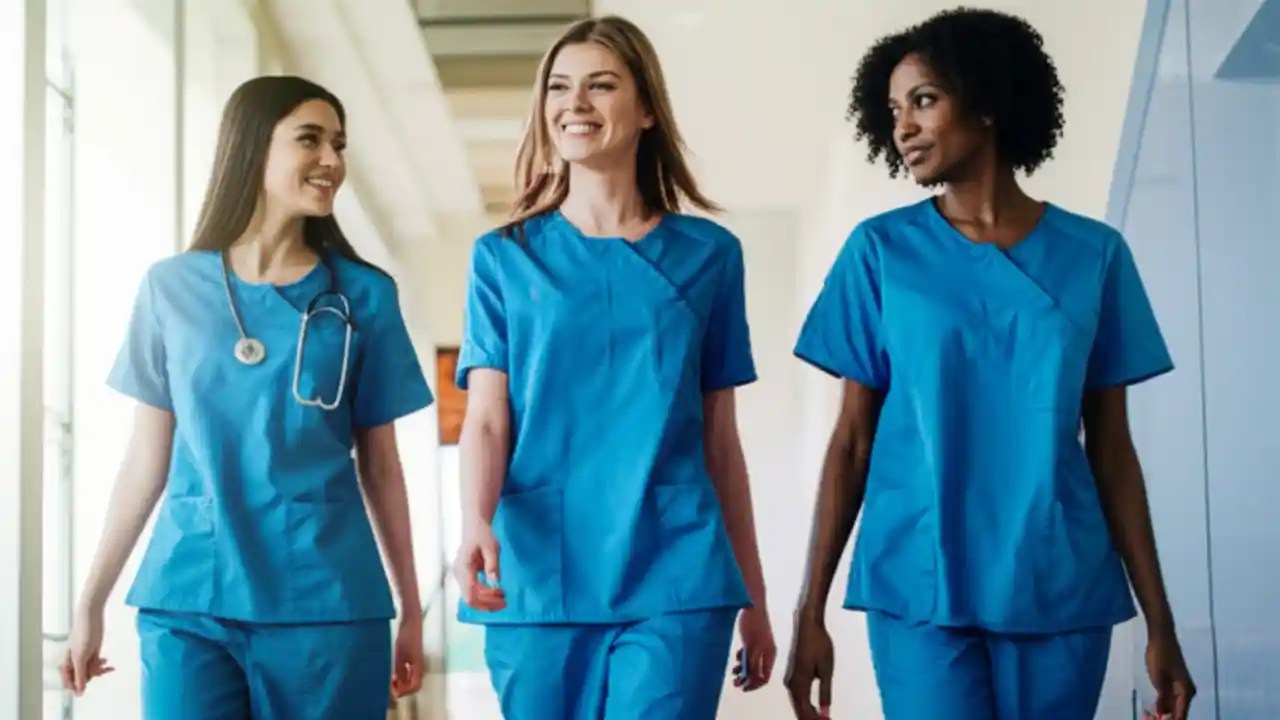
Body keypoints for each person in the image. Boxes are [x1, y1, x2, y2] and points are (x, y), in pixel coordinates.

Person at [783, 8, 1196, 720]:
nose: (902, 126)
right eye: (892, 110)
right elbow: (852, 442)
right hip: (917, 576)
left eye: (924, 100)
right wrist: (808, 611)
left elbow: (1113, 451)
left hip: (1055, 573)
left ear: (987, 102)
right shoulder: (881, 254)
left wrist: (1161, 622)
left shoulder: (1093, 257)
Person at [59, 75, 434, 718]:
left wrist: (409, 610)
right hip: (189, 595)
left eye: (339, 144)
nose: (332, 161)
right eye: (310, 140)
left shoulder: (364, 296)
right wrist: (90, 600)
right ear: (253, 147)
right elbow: (145, 459)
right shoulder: (170, 289)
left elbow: (381, 466)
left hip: (327, 600)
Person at [451, 14, 776, 719]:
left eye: (602, 85)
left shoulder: (709, 257)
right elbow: (485, 416)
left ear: (647, 108)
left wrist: (752, 592)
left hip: (676, 566)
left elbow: (721, 441)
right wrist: (475, 520)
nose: (577, 103)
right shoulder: (502, 259)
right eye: (560, 88)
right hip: (539, 567)